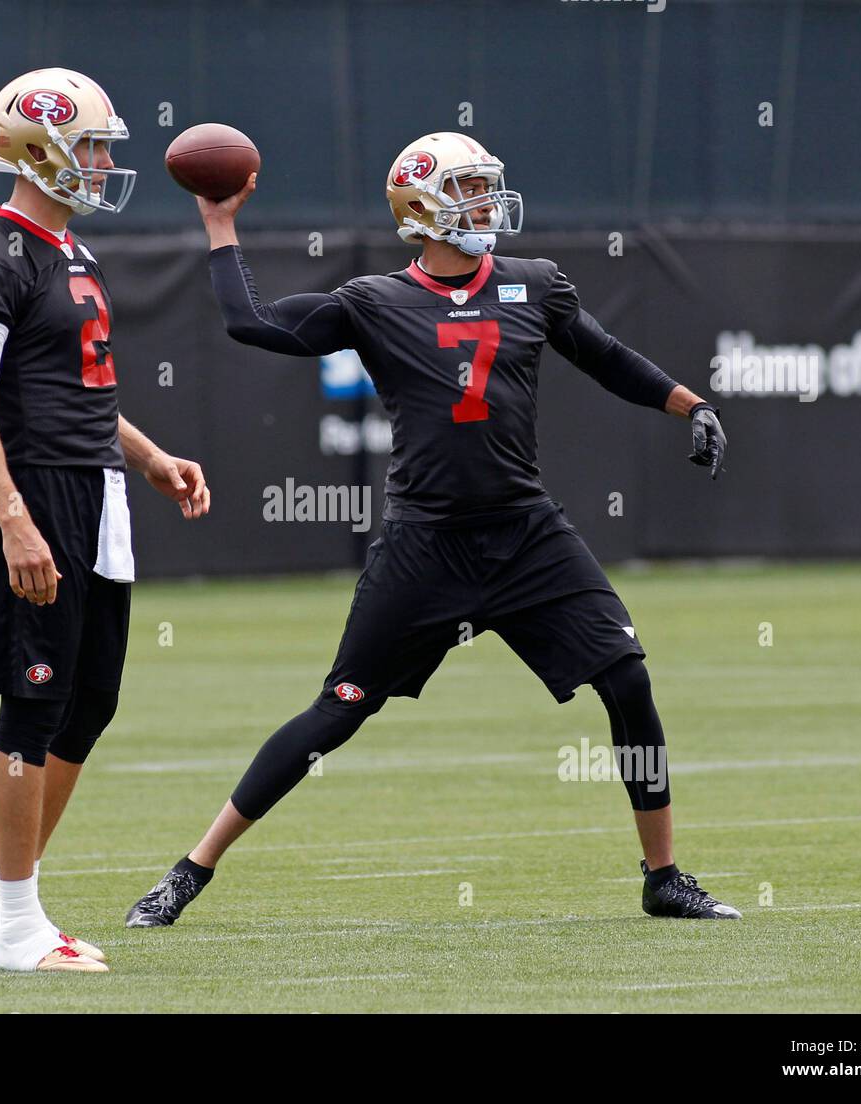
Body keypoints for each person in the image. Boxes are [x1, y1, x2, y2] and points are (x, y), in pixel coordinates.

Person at [127, 131, 738, 928]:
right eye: (470, 191)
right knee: (338, 709)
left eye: (488, 188)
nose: (487, 204)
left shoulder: (536, 284)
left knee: (627, 678)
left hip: (525, 533)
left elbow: (606, 356)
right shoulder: (374, 302)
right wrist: (220, 225)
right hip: (426, 543)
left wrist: (691, 405)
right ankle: (189, 871)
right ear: (422, 210)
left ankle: (663, 877)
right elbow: (253, 324)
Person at [0, 68, 210, 972]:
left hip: (98, 491)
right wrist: (15, 520)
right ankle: (19, 924)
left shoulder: (72, 251)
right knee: (34, 698)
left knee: (88, 704)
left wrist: (150, 456)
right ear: (39, 148)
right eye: (91, 145)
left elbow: (80, 391)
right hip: (41, 494)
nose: (101, 163)